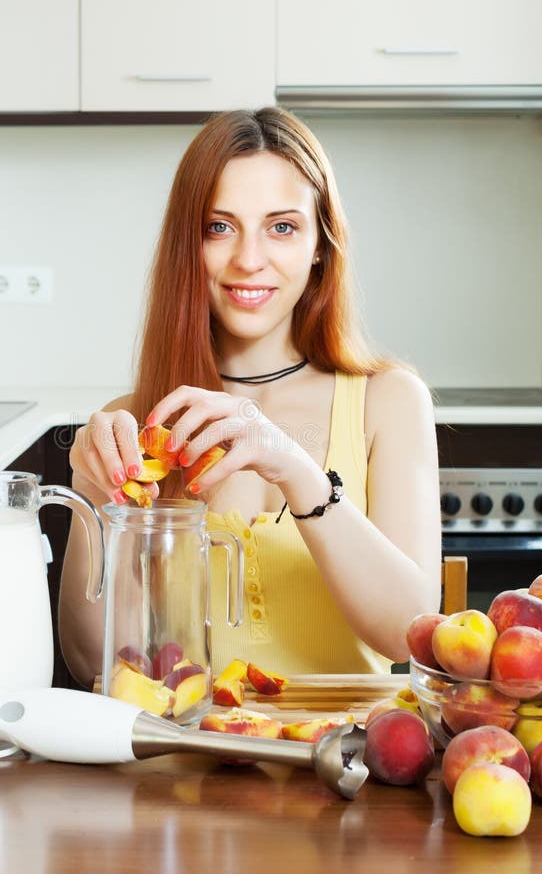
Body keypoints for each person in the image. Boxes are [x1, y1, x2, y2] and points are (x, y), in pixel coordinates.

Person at [59, 106, 441, 688]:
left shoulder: (388, 401)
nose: (249, 259)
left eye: (281, 227)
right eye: (220, 227)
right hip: (184, 764)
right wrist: (94, 500)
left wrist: (294, 467)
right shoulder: (134, 421)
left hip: (348, 763)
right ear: (189, 246)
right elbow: (98, 666)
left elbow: (410, 633)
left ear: (320, 245)